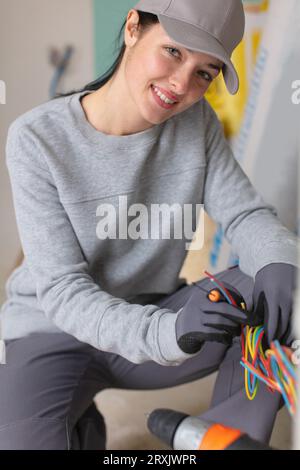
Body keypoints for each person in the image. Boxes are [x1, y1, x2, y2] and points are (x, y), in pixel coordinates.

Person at [0, 0, 297, 449]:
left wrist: (279, 265)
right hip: (49, 333)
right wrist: (170, 331)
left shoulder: (197, 124)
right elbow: (62, 291)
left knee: (286, 290)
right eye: (174, 52)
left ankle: (226, 435)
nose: (181, 85)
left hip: (152, 312)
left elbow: (245, 214)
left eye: (205, 72)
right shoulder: (36, 138)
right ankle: (80, 424)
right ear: (133, 27)